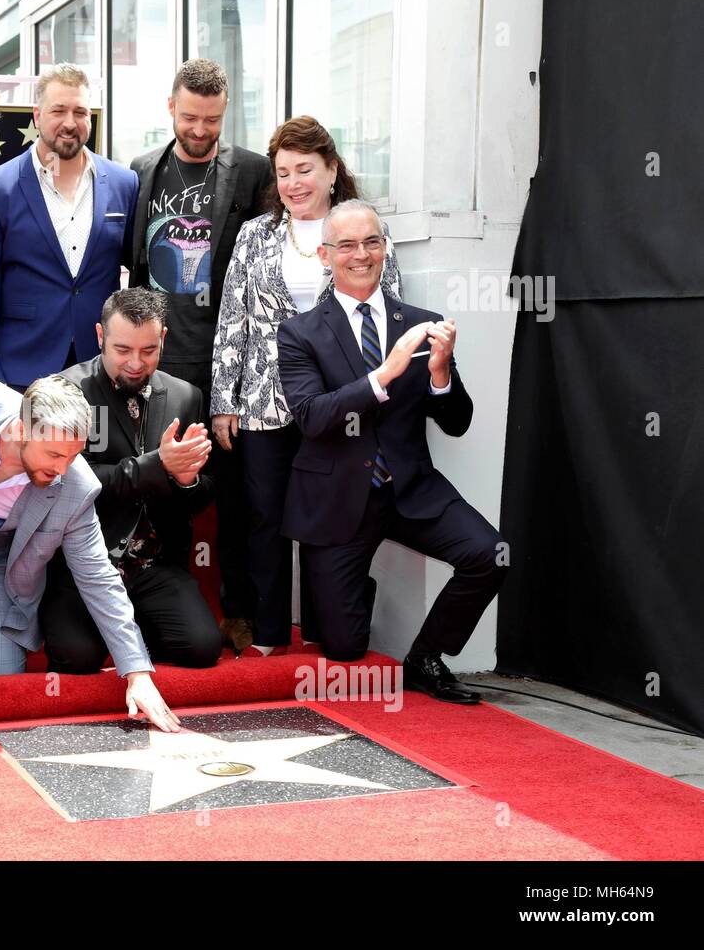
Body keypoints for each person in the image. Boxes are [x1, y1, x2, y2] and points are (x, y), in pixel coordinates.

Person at [276, 200, 507, 703]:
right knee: (342, 649)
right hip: (337, 496)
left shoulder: (422, 323)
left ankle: (426, 657)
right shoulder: (300, 332)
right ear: (325, 254)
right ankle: (350, 590)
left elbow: (458, 422)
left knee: (492, 554)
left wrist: (440, 373)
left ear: (385, 248)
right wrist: (384, 374)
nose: (361, 255)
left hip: (411, 488)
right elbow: (312, 417)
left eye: (372, 242)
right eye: (348, 245)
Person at [211, 116, 402, 655]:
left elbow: (390, 314)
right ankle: (270, 632)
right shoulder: (256, 234)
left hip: (338, 400)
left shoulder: (363, 234)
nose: (293, 183)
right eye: (283, 172)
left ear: (332, 169)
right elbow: (233, 320)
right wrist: (225, 402)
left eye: (305, 170)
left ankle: (325, 625)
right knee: (265, 517)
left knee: (331, 517)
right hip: (263, 401)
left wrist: (380, 393)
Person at [0, 370, 181, 732]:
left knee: (1, 700)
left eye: (72, 456)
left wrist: (137, 670)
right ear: (21, 429)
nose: (62, 469)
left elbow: (99, 577)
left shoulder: (75, 484)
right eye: (53, 454)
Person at [127, 59, 272, 653]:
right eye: (190, 117)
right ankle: (170, 606)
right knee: (166, 486)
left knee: (234, 494)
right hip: (161, 363)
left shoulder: (254, 172)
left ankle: (238, 612)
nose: (201, 129)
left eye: (212, 120)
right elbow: (134, 269)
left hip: (227, 364)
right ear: (171, 108)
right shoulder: (141, 171)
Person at [47, 288, 221, 672]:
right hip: (84, 564)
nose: (135, 363)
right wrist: (158, 465)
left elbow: (205, 491)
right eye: (123, 350)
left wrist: (187, 480)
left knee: (203, 648)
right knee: (77, 659)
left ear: (163, 339)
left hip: (155, 565)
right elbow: (69, 482)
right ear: (99, 336)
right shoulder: (66, 391)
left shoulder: (186, 396)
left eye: (148, 351)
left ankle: (137, 625)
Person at [0, 64, 138, 389]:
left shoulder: (124, 183)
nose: (70, 123)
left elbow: (135, 273)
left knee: (98, 442)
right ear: (37, 115)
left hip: (99, 367)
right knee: (37, 442)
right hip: (23, 368)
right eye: (58, 110)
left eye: (80, 112)